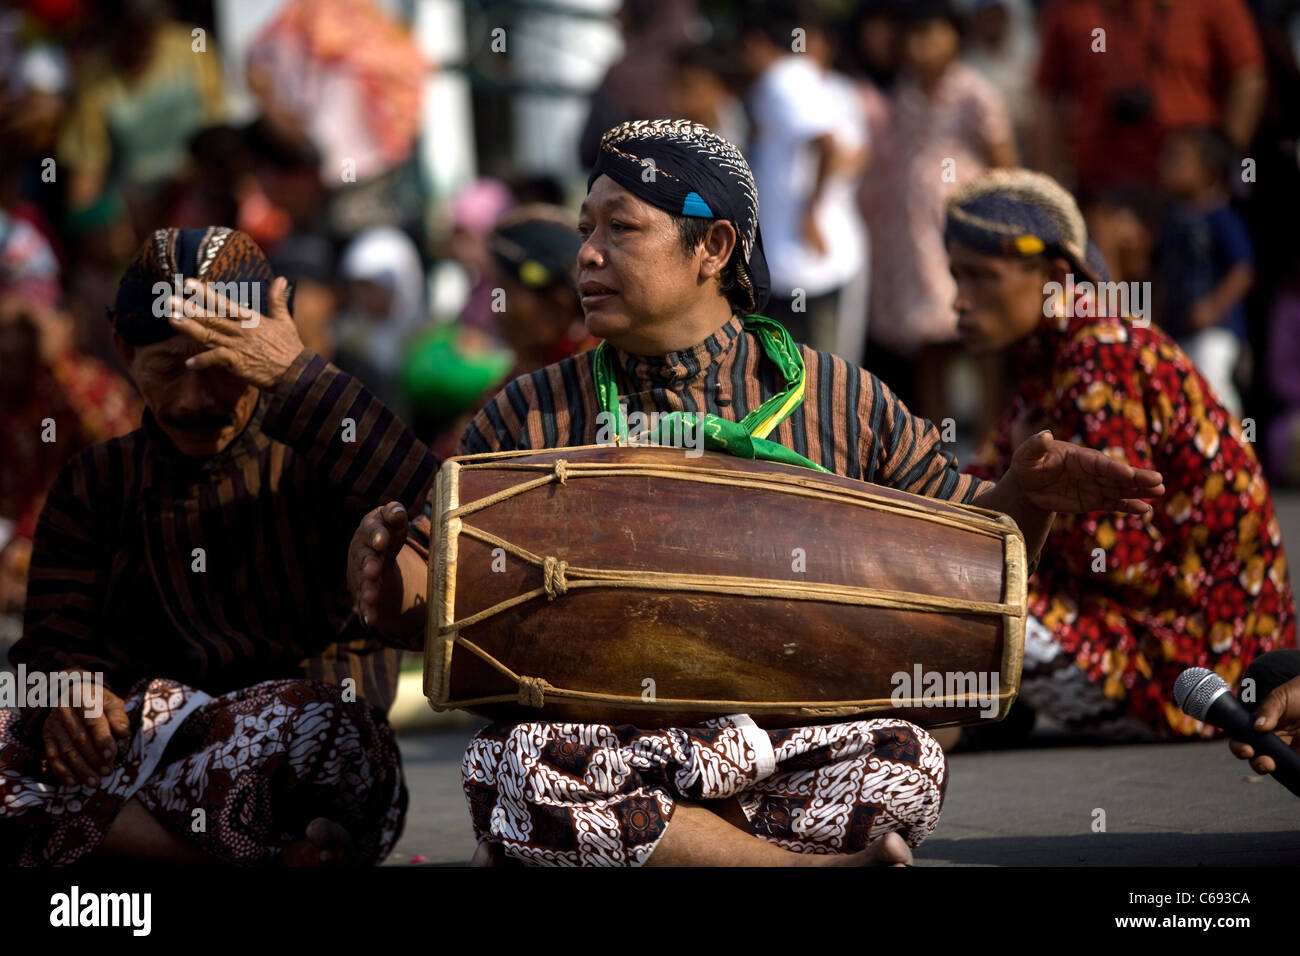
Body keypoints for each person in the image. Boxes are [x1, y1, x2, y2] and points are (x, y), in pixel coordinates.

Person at [349, 120, 1164, 867]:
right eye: (584, 230)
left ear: (713, 247)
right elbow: (436, 594)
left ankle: (656, 854)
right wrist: (390, 584)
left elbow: (970, 559)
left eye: (620, 228)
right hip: (610, 746)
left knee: (908, 761)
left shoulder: (839, 398)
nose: (587, 256)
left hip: (780, 750)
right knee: (512, 765)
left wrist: (1029, 491)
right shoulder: (530, 412)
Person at [0, 227, 441, 866]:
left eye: (221, 370)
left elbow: (443, 505)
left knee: (312, 721)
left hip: (300, 754)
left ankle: (153, 846)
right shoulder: (94, 483)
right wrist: (67, 692)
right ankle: (227, 858)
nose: (193, 401)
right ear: (123, 347)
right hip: (146, 768)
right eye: (167, 369)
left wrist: (299, 376)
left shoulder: (315, 458)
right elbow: (44, 650)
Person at [950, 169, 1296, 741]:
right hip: (1159, 634)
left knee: (957, 595)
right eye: (957, 276)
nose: (958, 301)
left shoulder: (1100, 360)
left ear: (1054, 277)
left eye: (981, 278)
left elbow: (1119, 563)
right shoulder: (1055, 356)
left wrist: (1021, 503)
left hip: (1192, 665)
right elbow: (980, 485)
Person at [1033, 0, 1266, 198]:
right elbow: (1047, 97)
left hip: (1188, 189)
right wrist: (1049, 187)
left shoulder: (1212, 4)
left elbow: (1248, 77)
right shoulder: (1069, 9)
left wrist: (1224, 161)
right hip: (1102, 187)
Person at [742, 2, 867, 355]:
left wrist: (811, 212)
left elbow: (830, 147)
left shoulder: (785, 79)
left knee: (814, 375)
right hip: (803, 258)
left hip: (805, 259)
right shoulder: (806, 78)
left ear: (753, 42)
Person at [1153, 126, 1255, 419]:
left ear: (1209, 169)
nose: (1168, 167)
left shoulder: (1221, 217)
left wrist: (1212, 308)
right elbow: (1163, 274)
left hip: (1216, 331)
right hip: (1177, 329)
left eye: (1179, 160)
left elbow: (1243, 270)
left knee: (1213, 386)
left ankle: (1232, 448)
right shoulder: (1171, 220)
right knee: (1183, 392)